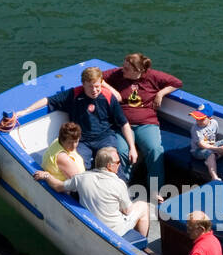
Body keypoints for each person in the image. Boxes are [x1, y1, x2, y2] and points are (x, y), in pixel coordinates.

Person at [7, 67, 137, 182]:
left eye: (97, 86)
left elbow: (124, 123)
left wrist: (132, 147)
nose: (95, 90)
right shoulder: (74, 95)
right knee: (79, 169)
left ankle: (122, 190)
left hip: (105, 138)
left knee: (112, 163)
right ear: (83, 84)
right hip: (81, 140)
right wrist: (26, 111)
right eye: (90, 86)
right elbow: (48, 100)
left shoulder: (108, 97)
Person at [102, 53, 182, 196]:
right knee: (121, 152)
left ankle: (155, 189)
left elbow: (177, 83)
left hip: (146, 123)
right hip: (123, 123)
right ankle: (122, 186)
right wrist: (113, 91)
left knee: (155, 149)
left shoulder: (153, 76)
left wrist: (160, 93)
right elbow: (97, 77)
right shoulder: (117, 74)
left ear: (138, 70)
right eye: (123, 66)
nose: (122, 70)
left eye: (127, 68)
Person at [34, 146, 150, 239]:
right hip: (115, 230)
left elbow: (58, 186)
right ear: (110, 166)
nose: (119, 165)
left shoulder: (80, 178)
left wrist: (46, 176)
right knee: (144, 206)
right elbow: (128, 211)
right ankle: (141, 245)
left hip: (94, 225)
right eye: (118, 162)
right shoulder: (119, 184)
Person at [188, 102, 223, 181]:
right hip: (198, 150)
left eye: (201, 119)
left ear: (210, 118)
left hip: (212, 145)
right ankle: (214, 177)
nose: (198, 121)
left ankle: (213, 158)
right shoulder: (195, 129)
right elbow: (201, 144)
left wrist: (220, 147)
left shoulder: (214, 123)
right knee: (210, 154)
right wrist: (217, 149)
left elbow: (215, 135)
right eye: (196, 118)